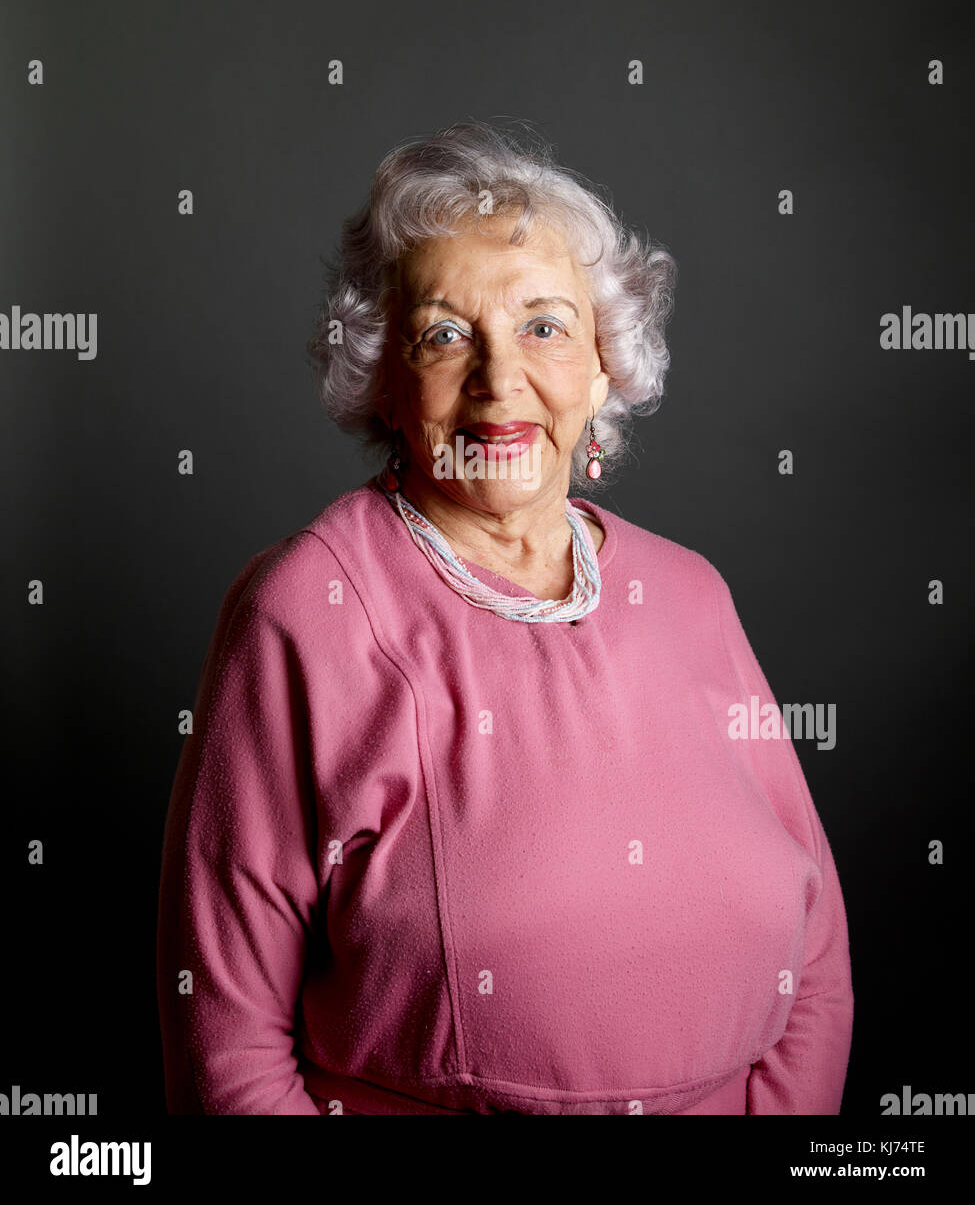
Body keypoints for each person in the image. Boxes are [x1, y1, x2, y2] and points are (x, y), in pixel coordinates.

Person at [156, 120, 853, 1114]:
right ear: (385, 382)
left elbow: (817, 950)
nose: (499, 380)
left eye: (544, 325)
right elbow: (224, 1043)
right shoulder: (304, 610)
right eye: (444, 334)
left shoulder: (692, 592)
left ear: (606, 364)